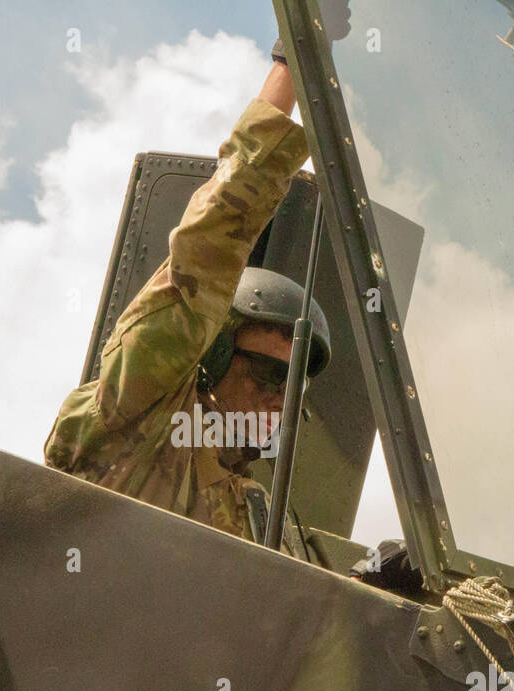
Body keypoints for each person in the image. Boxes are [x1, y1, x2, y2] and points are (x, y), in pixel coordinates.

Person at [44, 59, 332, 545]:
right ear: (213, 358)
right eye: (268, 373)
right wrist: (294, 63)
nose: (278, 400)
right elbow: (208, 250)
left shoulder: (265, 525)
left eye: (293, 388)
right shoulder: (139, 420)